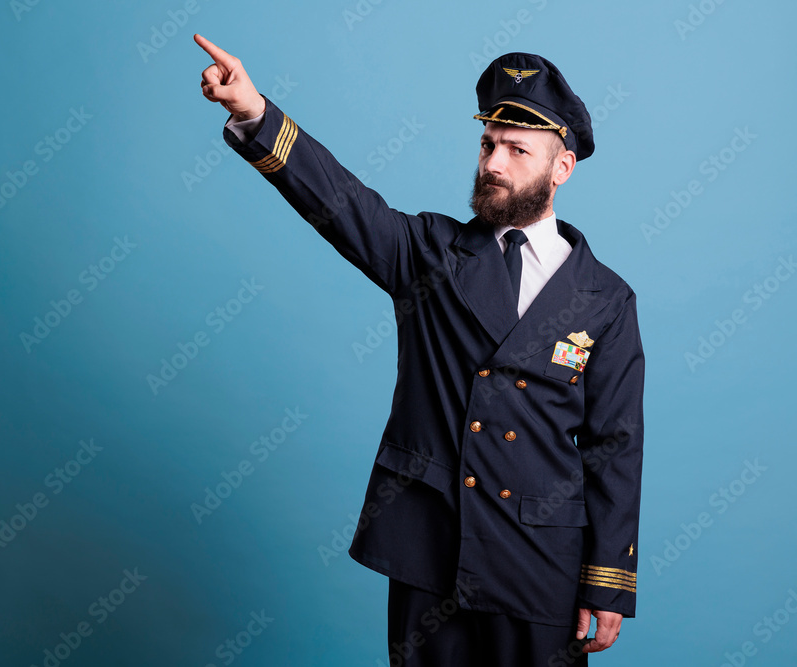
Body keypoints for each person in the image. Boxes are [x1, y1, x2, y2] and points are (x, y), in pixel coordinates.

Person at [195, 33, 645, 666]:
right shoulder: (430, 252)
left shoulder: (606, 297)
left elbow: (615, 445)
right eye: (488, 144)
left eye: (517, 150)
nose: (493, 164)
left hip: (542, 560)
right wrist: (254, 113)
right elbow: (342, 202)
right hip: (433, 547)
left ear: (560, 168)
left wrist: (607, 580)